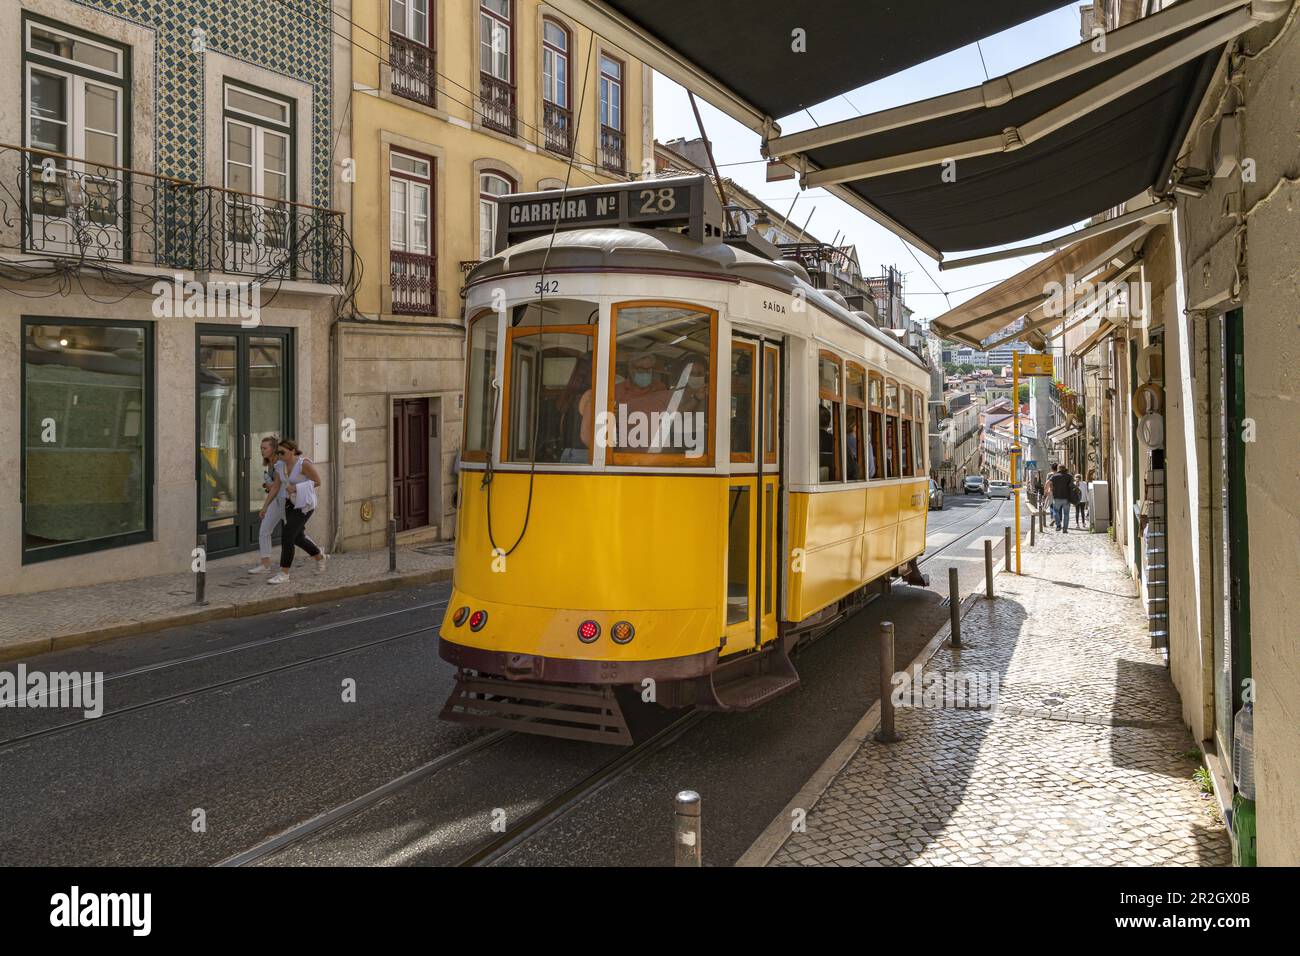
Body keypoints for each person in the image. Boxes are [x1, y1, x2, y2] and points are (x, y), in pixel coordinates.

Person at [266, 438, 327, 584]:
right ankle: (319, 557)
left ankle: (284, 573)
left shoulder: (303, 464)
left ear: (293, 451)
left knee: (287, 535)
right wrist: (265, 506)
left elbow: (317, 481)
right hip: (290, 504)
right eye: (278, 452)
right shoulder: (280, 466)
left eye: (283, 452)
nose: (280, 455)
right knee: (297, 537)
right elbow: (275, 487)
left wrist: (296, 487)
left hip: (305, 505)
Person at [247, 436, 285, 574]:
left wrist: (264, 506)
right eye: (261, 448)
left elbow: (277, 487)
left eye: (265, 448)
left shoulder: (280, 463)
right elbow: (274, 487)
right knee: (264, 531)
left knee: (298, 536)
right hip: (277, 501)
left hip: (287, 502)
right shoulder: (270, 464)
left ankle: (318, 555)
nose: (262, 451)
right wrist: (269, 485)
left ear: (273, 448)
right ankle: (265, 564)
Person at [1047, 463, 1073, 533]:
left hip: (1057, 497)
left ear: (1058, 469)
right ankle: (1065, 529)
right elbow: (1072, 486)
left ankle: (1058, 525)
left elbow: (1048, 483)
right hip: (1067, 498)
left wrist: (1048, 491)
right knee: (1066, 514)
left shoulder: (1054, 476)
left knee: (1055, 511)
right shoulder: (1069, 476)